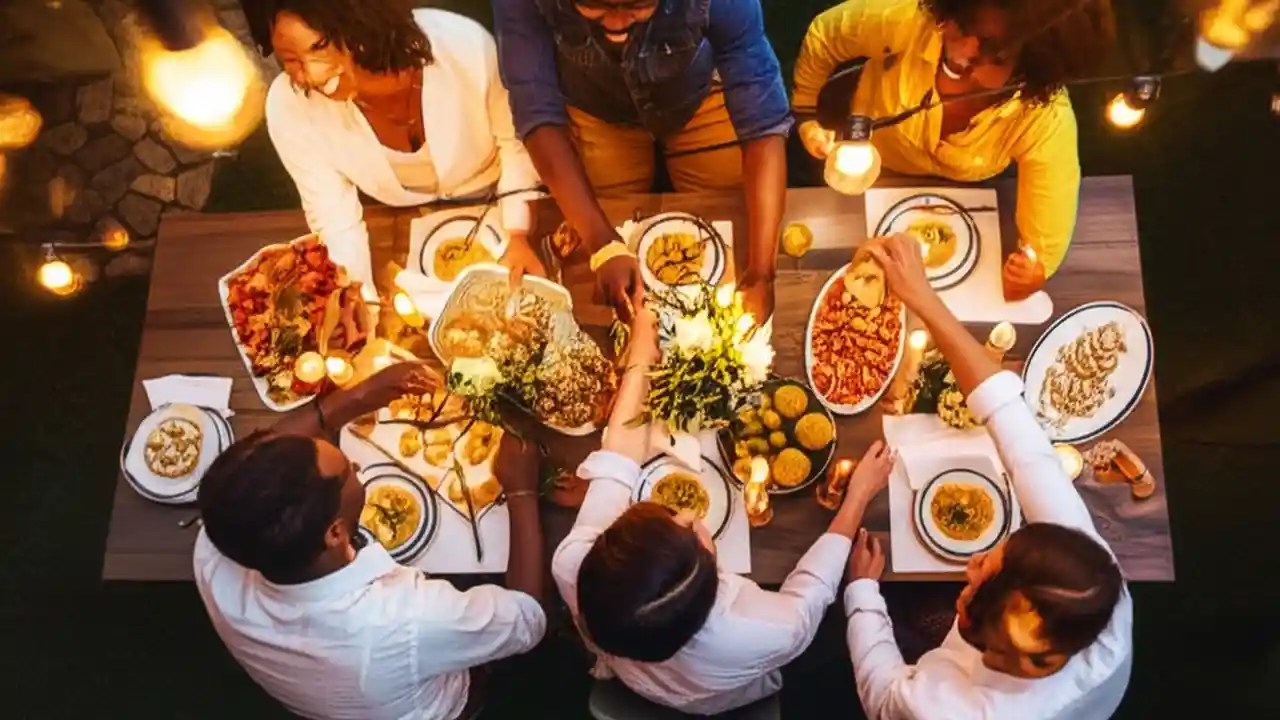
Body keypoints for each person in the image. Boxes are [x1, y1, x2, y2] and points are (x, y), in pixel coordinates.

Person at [551, 301, 895, 714]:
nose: (694, 514)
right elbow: (811, 590)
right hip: (712, 698)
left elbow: (618, 454)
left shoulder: (574, 564)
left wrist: (641, 351)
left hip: (630, 672)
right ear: (713, 580)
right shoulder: (760, 630)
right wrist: (857, 496)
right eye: (691, 530)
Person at [844, 233, 1131, 719]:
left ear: (983, 643)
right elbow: (1016, 429)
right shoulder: (1085, 583)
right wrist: (922, 299)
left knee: (910, 611)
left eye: (976, 579)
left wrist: (863, 595)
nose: (973, 560)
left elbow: (884, 697)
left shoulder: (946, 708)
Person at [194, 361, 548, 720]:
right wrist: (521, 490)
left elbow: (264, 455)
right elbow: (530, 619)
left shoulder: (217, 539)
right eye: (349, 469)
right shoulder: (407, 620)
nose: (359, 468)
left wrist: (356, 398)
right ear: (334, 532)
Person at [793, 0, 1116, 300]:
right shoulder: (914, 22)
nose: (961, 51)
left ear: (1030, 66)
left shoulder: (1045, 119)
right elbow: (825, 35)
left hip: (960, 207)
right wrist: (806, 113)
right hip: (858, 174)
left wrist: (1033, 270)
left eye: (992, 51)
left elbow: (1045, 240)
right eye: (964, 25)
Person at [492, 0, 791, 323]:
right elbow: (536, 110)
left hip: (696, 99)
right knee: (597, 232)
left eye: (637, 5)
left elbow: (762, 120)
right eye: (597, 7)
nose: (618, 24)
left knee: (730, 220)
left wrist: (762, 273)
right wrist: (604, 245)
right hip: (597, 110)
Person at [242, 0, 542, 296]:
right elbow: (336, 220)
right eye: (291, 61)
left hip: (499, 202)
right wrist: (357, 299)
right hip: (399, 227)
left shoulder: (464, 47)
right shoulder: (289, 106)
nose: (312, 75)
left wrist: (518, 232)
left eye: (319, 46)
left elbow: (515, 143)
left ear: (362, 17)